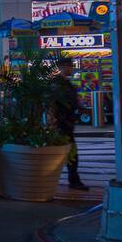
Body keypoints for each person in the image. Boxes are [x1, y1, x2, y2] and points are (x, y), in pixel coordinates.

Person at [51, 58, 87, 191]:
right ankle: (74, 180)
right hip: (62, 124)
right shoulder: (57, 84)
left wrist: (80, 108)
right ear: (61, 67)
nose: (71, 69)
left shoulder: (65, 83)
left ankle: (73, 179)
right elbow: (54, 104)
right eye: (69, 66)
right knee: (71, 153)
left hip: (67, 123)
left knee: (68, 153)